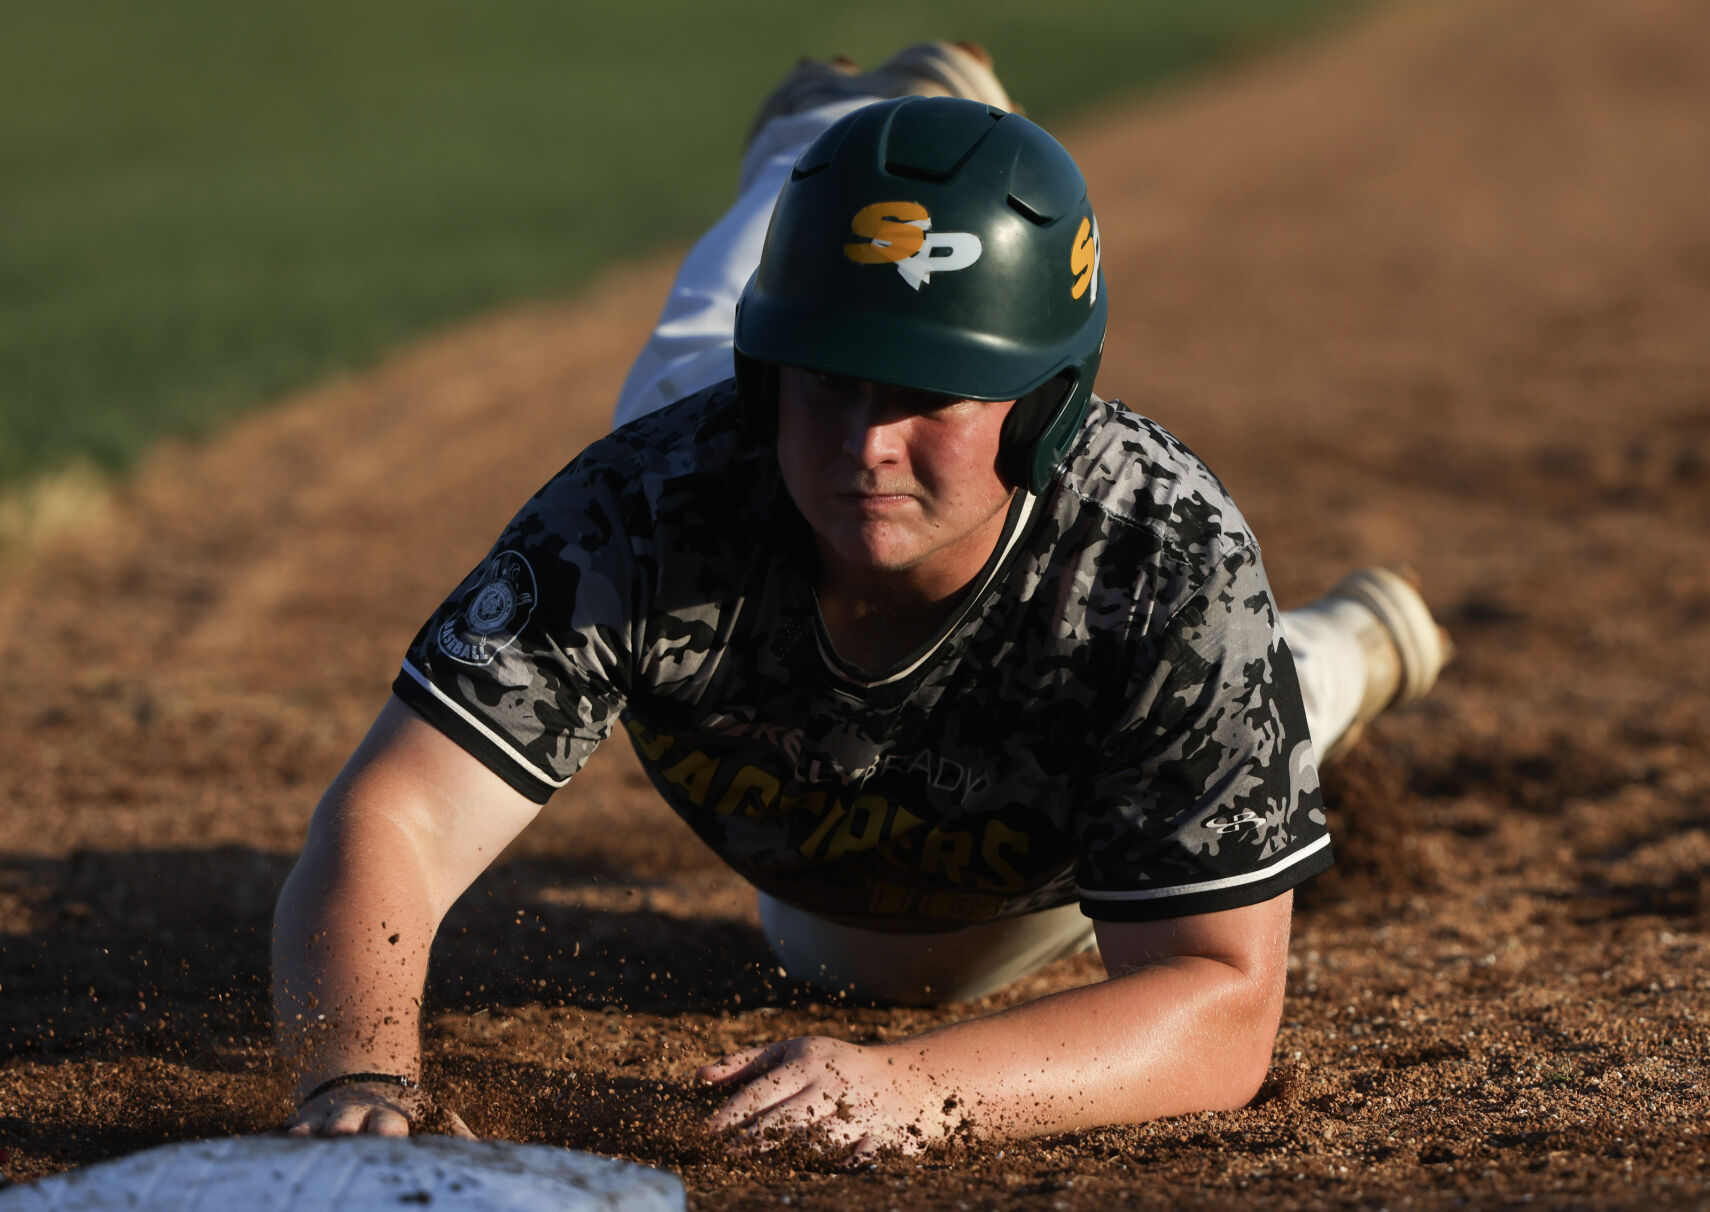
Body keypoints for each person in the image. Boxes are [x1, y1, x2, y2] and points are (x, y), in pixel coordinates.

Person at [273, 42, 1448, 1160]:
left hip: (1006, 862)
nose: (867, 443)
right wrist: (357, 1077)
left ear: (1041, 407)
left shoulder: (1164, 568)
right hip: (763, 621)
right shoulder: (648, 501)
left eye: (932, 391)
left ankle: (1339, 651)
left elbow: (1217, 1006)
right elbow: (399, 817)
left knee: (930, 956)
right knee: (702, 368)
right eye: (827, 381)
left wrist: (915, 1085)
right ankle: (837, 142)